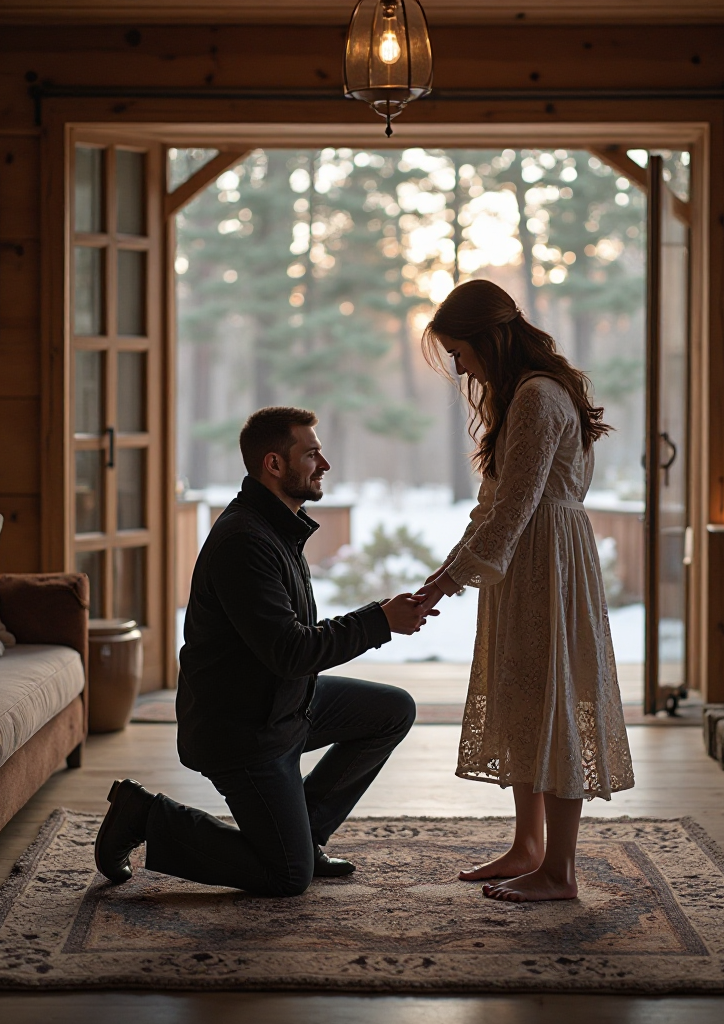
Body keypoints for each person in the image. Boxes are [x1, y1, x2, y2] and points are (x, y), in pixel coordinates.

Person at [94, 406, 433, 896]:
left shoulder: (278, 526)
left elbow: (291, 645)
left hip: (282, 705)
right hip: (241, 730)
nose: (324, 464)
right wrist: (380, 621)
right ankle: (144, 815)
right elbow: (291, 651)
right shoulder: (245, 541)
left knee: (391, 710)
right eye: (311, 454)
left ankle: (304, 835)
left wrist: (380, 616)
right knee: (287, 876)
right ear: (274, 464)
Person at [413, 279, 635, 903]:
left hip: (547, 563)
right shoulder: (523, 394)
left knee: (552, 701)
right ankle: (528, 847)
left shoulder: (538, 395)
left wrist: (447, 583)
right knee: (523, 697)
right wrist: (444, 574)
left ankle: (559, 872)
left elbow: (515, 506)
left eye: (460, 352)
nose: (460, 367)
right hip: (525, 562)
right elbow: (492, 505)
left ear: (488, 338)